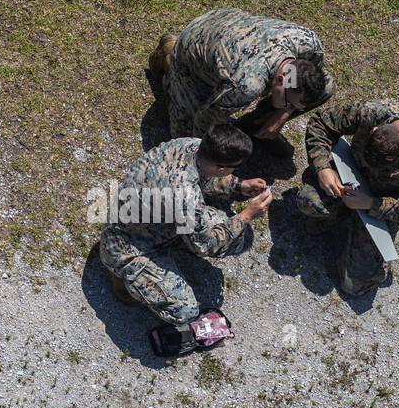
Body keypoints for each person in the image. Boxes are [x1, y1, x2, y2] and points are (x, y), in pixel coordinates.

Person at [98, 124, 272, 326]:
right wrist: (247, 214)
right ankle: (121, 276)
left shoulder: (191, 145)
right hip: (127, 249)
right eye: (233, 169)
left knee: (223, 227)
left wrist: (239, 185)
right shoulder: (185, 196)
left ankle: (171, 245)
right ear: (221, 169)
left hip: (144, 221)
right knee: (185, 312)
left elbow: (203, 176)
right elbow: (207, 245)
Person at [296, 102, 399, 296]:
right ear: (374, 129)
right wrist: (323, 167)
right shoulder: (372, 113)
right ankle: (340, 214)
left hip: (379, 204)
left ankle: (377, 263)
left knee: (354, 285)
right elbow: (321, 123)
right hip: (349, 177)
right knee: (308, 201)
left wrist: (371, 204)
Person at [149, 8, 334, 156]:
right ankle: (170, 56)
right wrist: (204, 156)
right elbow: (206, 119)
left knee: (327, 86)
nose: (290, 107)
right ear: (280, 80)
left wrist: (284, 112)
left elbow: (306, 83)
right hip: (197, 49)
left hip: (231, 28)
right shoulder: (246, 85)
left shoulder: (310, 46)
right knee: (186, 140)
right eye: (289, 103)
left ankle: (256, 126)